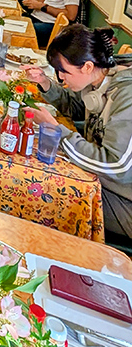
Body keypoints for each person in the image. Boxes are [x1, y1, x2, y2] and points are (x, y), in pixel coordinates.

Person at [26, 25, 132, 238]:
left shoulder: (126, 95)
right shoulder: (99, 77)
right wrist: (45, 83)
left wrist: (57, 132)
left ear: (87, 66)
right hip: (105, 182)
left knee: (42, 191)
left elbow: (118, 166)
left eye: (64, 72)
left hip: (124, 200)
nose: (60, 77)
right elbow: (75, 107)